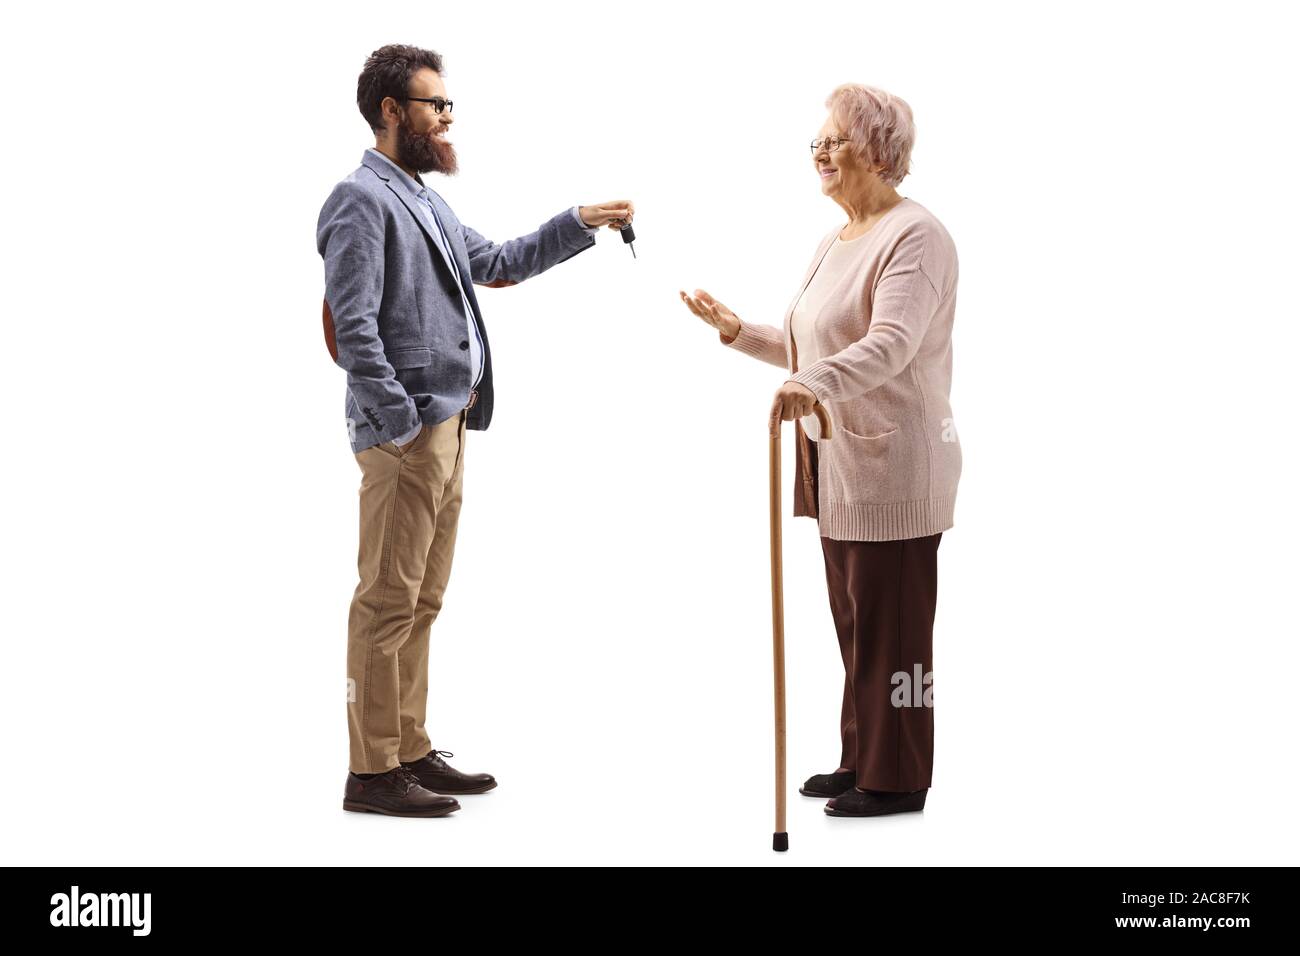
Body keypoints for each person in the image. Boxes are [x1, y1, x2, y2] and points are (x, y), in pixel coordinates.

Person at [318, 43, 635, 817]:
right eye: (436, 105)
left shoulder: (424, 199)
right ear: (393, 112)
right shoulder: (360, 199)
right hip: (409, 434)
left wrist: (579, 223)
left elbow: (496, 262)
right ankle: (370, 772)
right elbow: (351, 327)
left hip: (453, 426)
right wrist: (400, 420)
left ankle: (408, 747)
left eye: (448, 105)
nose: (448, 118)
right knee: (386, 601)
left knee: (423, 600)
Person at [679, 83, 959, 817]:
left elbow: (890, 345)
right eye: (819, 141)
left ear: (877, 149)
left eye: (836, 139)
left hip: (894, 463)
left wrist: (813, 380)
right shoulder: (835, 240)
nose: (822, 153)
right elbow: (815, 345)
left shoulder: (916, 236)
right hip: (837, 464)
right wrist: (741, 333)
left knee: (893, 631)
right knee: (858, 623)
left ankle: (897, 779)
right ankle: (862, 753)